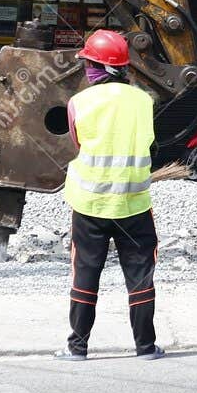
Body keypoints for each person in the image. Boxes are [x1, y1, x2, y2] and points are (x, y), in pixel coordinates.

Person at [58, 29, 165, 361]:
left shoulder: (78, 102)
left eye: (88, 63)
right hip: (134, 203)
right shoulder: (144, 101)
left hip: (89, 203)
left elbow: (77, 142)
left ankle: (78, 347)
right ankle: (145, 347)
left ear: (95, 66)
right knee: (140, 274)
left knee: (86, 271)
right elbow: (148, 143)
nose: (86, 68)